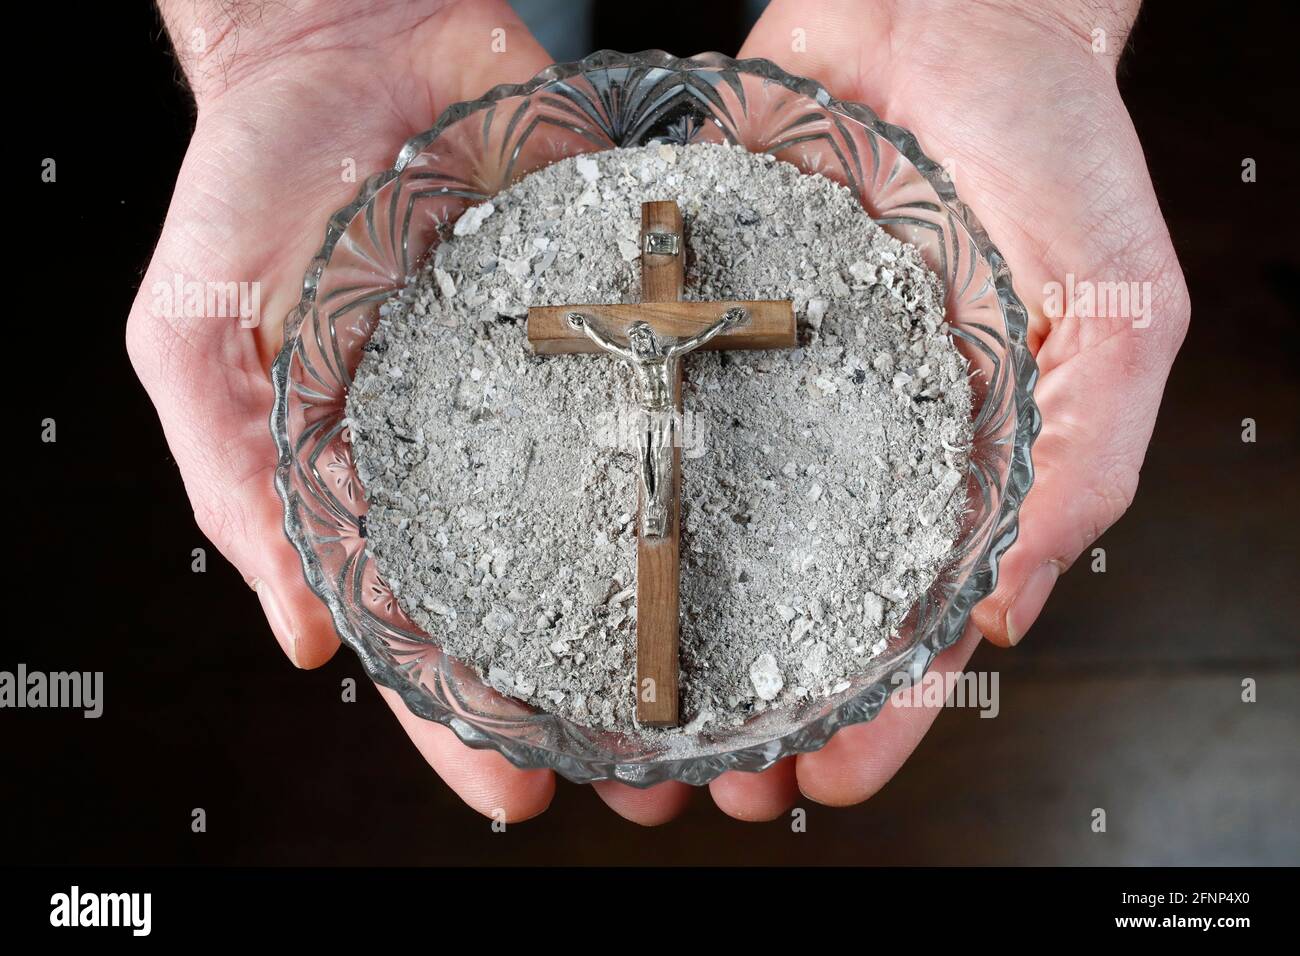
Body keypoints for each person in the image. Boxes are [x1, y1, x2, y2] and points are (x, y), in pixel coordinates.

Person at [128, 0, 1190, 825]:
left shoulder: (702, 317)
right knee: (650, 502)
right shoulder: (602, 323)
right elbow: (567, 325)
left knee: (662, 502)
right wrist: (300, 24)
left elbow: (741, 318)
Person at [567, 308, 748, 536]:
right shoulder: (635, 358)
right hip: (646, 412)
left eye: (641, 337)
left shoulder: (667, 354)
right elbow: (607, 343)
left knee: (658, 456)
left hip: (663, 412)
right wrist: (585, 326)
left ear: (651, 337)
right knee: (644, 458)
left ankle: (654, 502)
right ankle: (651, 499)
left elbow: (698, 339)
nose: (638, 343)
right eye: (634, 339)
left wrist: (723, 322)